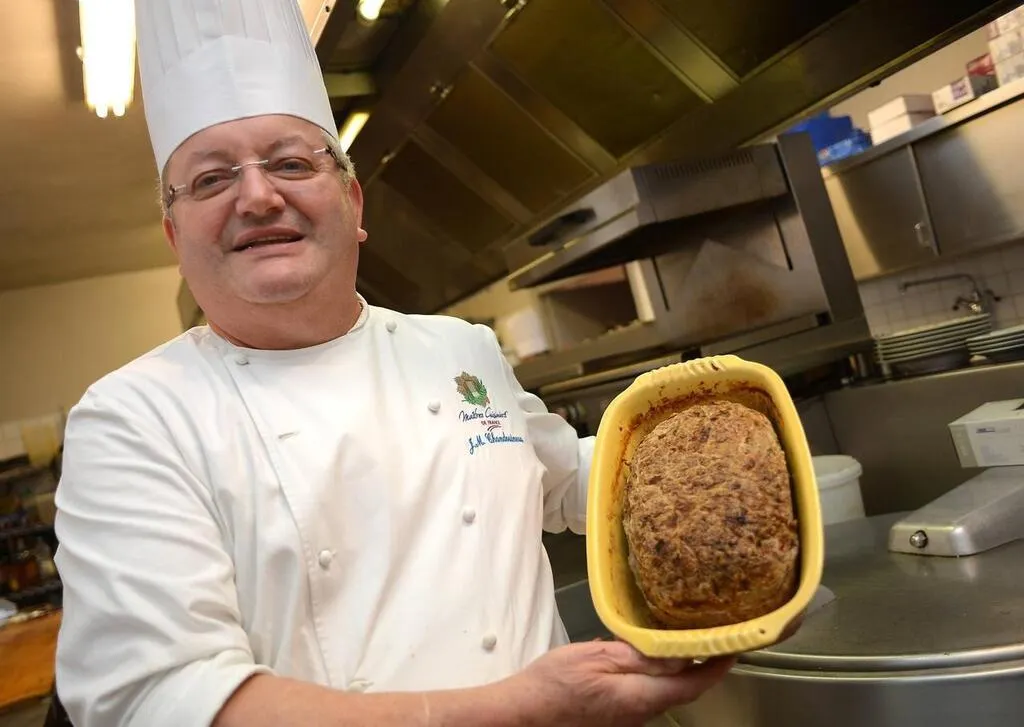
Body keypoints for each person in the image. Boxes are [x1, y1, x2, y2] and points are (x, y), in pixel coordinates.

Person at [51, 1, 734, 725]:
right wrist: (523, 706)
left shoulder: (459, 348)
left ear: (351, 199)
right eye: (212, 179)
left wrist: (728, 449)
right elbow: (157, 698)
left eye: (290, 162)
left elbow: (568, 482)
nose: (257, 195)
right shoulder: (131, 418)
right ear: (173, 235)